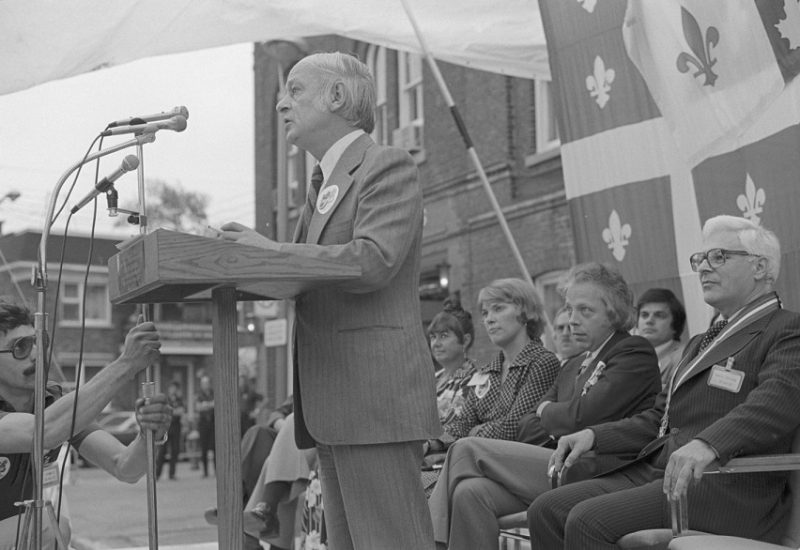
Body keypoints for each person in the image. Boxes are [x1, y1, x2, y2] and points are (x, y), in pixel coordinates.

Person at [217, 51, 440, 549]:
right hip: (333, 406)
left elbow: (373, 260)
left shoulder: (387, 165)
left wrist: (272, 252)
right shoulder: (322, 186)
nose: (281, 104)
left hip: (374, 402)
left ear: (337, 96)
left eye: (295, 90)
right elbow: (306, 278)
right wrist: (239, 261)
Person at [530, 215, 800, 549]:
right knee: (546, 510)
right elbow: (661, 418)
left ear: (759, 267)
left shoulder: (786, 329)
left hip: (721, 484)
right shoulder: (701, 341)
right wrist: (594, 435)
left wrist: (709, 444)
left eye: (719, 257)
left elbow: (776, 402)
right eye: (700, 259)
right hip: (661, 471)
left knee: (586, 520)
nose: (704, 267)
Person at [427, 262, 662, 549]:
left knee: (465, 448)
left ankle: (427, 541)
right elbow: (527, 426)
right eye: (570, 309)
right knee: (469, 491)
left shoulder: (632, 351)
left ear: (614, 313)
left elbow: (580, 418)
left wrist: (549, 412)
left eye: (585, 310)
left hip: (600, 469)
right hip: (555, 464)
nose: (573, 320)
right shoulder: (572, 364)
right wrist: (557, 416)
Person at [0, 301, 171, 549]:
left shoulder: (52, 402)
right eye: (21, 347)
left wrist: (148, 435)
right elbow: (44, 431)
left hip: (16, 535)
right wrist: (127, 364)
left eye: (39, 342)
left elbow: (125, 467)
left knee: (51, 528)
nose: (37, 354)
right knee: (47, 528)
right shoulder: (55, 419)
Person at [423, 278, 560, 459]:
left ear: (525, 312)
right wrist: (432, 443)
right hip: (481, 458)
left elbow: (514, 428)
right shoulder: (488, 371)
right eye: (485, 313)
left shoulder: (542, 362)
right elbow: (463, 424)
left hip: (519, 461)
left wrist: (472, 434)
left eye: (498, 308)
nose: (489, 319)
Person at [636, 287, 687, 388]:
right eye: (644, 315)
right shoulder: (629, 356)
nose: (649, 321)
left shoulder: (684, 357)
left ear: (675, 324)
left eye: (659, 315)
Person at [156, 380, 185, 481]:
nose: (173, 390)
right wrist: (174, 411)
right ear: (169, 389)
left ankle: (172, 474)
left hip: (176, 427)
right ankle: (157, 474)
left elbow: (181, 411)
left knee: (175, 450)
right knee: (162, 451)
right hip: (166, 427)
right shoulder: (165, 400)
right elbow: (164, 411)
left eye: (175, 388)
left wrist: (171, 412)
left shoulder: (179, 400)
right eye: (172, 388)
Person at [195, 375, 215, 478]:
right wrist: (210, 404)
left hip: (213, 423)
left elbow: (216, 404)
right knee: (204, 448)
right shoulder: (199, 394)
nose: (205, 385)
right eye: (203, 383)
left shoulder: (214, 393)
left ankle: (217, 470)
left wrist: (205, 405)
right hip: (203, 424)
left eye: (207, 383)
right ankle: (205, 472)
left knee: (215, 447)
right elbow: (198, 407)